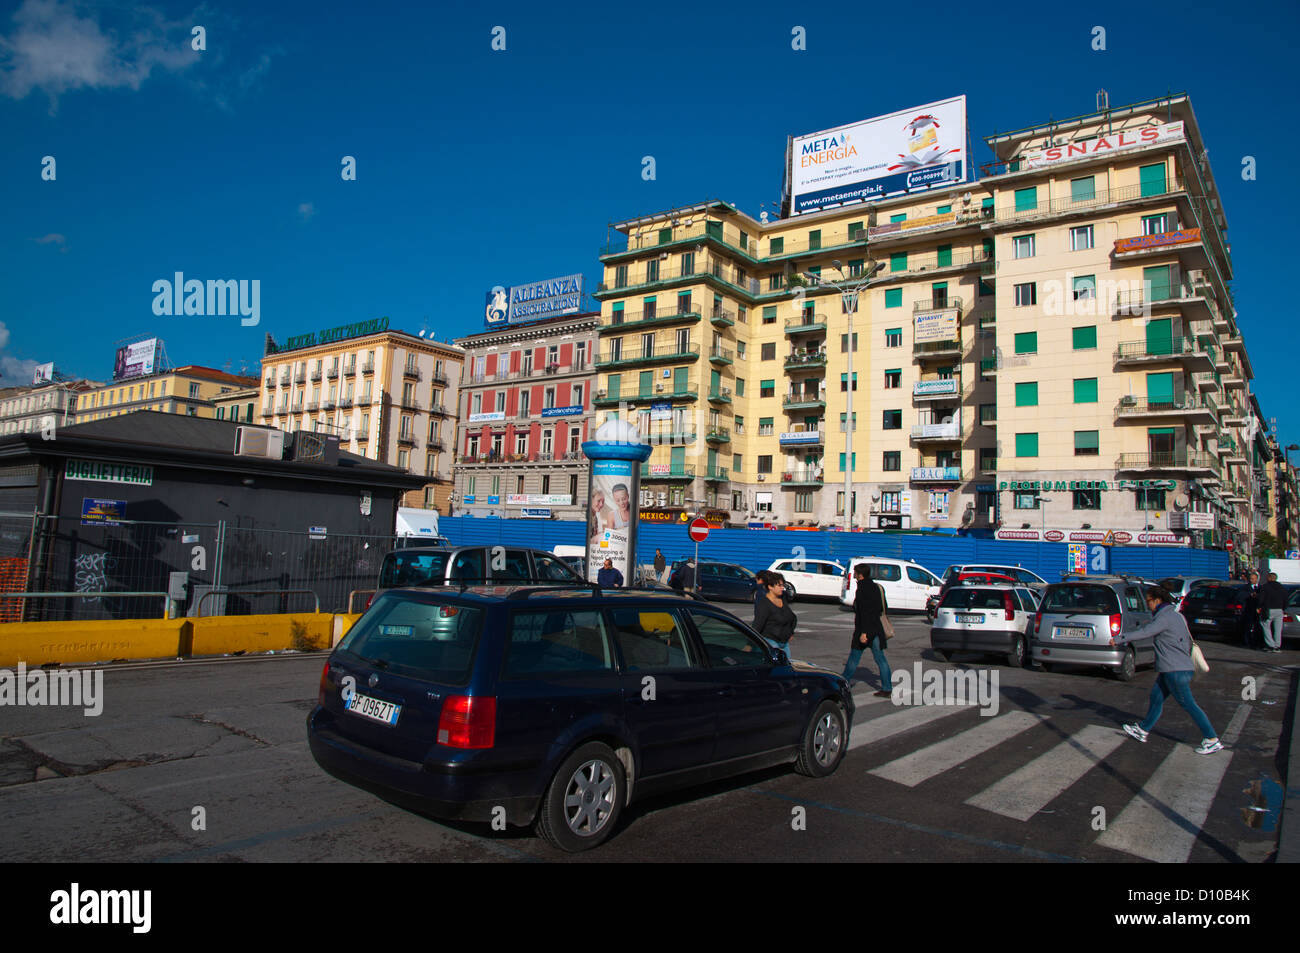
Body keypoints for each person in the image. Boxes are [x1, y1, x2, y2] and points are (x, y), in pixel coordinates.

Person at [1122, 586, 1222, 754]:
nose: (1148, 606)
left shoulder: (1163, 619)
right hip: (1177, 667)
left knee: (1189, 705)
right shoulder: (1177, 616)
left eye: (1148, 601)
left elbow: (1145, 632)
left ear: (1157, 600)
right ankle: (1143, 729)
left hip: (1174, 670)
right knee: (1156, 697)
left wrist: (1120, 638)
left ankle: (1211, 738)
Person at [842, 564, 892, 697]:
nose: (853, 575)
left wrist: (864, 632)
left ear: (860, 574)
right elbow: (881, 608)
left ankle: (842, 684)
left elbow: (864, 612)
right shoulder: (876, 587)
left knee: (853, 658)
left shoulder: (862, 589)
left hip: (864, 630)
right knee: (881, 659)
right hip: (876, 629)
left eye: (855, 572)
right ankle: (887, 688)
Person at [754, 572, 797, 655]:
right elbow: (758, 624)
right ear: (770, 587)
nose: (782, 588)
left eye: (782, 585)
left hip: (784, 642)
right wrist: (749, 645)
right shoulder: (764, 604)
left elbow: (791, 617)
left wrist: (791, 632)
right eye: (779, 586)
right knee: (777, 664)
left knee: (786, 665)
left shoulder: (783, 598)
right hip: (771, 641)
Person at [1259, 571, 1288, 654]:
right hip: (1279, 610)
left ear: (1269, 578)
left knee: (1265, 625)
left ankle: (1270, 645)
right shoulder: (1282, 587)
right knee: (1278, 629)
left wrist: (1259, 606)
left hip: (1268, 609)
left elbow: (1261, 599)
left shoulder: (1265, 587)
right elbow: (1286, 599)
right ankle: (1277, 646)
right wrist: (1283, 608)